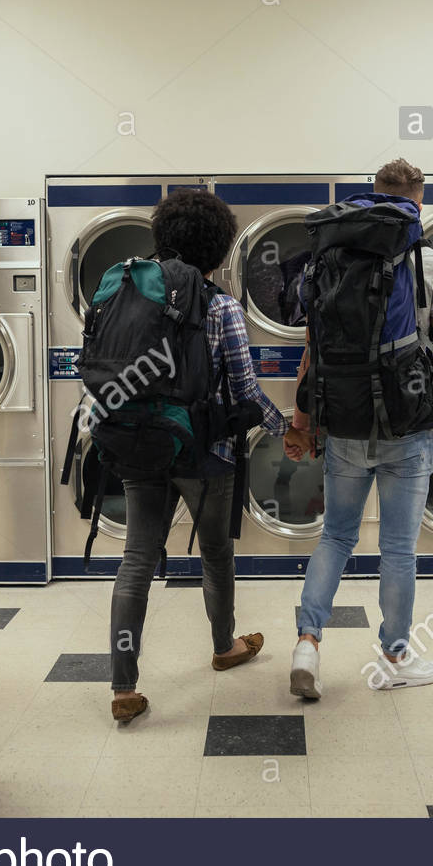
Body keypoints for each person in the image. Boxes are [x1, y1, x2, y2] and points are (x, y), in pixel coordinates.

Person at [109, 189, 312, 721]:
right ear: (220, 249)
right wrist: (290, 431)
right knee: (216, 552)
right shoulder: (220, 306)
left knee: (136, 559)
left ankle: (123, 688)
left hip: (136, 443)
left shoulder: (124, 292)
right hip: (206, 451)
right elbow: (244, 392)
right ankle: (224, 647)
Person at [286, 159, 433, 697]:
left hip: (343, 422)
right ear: (418, 203)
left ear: (372, 197)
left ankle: (308, 643)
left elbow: (312, 352)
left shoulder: (330, 261)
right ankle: (394, 658)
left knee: (336, 536)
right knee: (397, 549)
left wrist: (301, 422)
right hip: (408, 427)